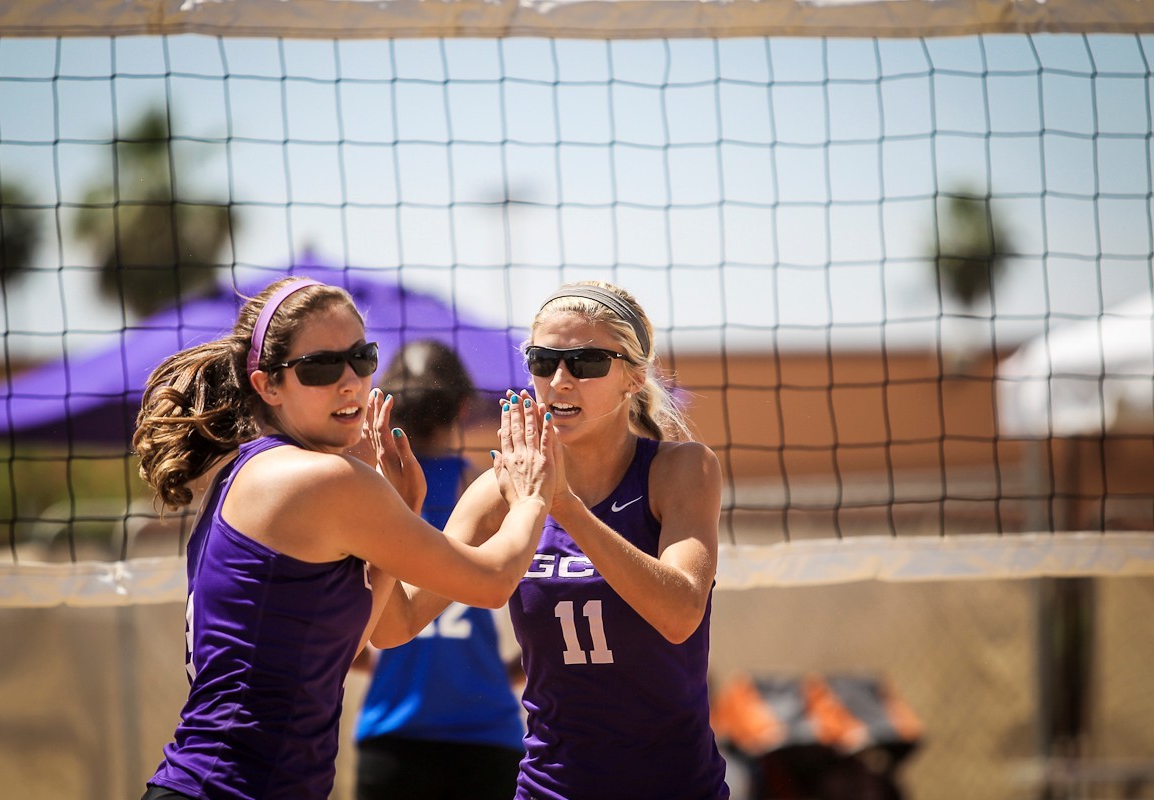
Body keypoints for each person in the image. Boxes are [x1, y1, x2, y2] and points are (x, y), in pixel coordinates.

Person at [132, 277, 555, 800]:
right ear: (267, 385)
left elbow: (389, 626)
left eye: (361, 356)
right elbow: (491, 583)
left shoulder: (248, 472)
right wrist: (532, 494)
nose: (350, 381)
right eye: (321, 366)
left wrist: (407, 512)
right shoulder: (319, 479)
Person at [373, 280, 730, 799]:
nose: (560, 380)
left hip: (674, 785)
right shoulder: (500, 488)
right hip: (551, 787)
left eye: (585, 363)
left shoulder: (680, 468)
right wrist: (389, 516)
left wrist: (562, 503)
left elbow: (679, 614)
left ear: (632, 377)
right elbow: (395, 624)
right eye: (543, 361)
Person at [351, 339, 526, 800]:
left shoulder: (364, 490)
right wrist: (501, 671)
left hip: (394, 730)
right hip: (487, 731)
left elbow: (331, 623)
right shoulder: (487, 488)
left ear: (386, 408)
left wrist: (378, 658)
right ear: (464, 407)